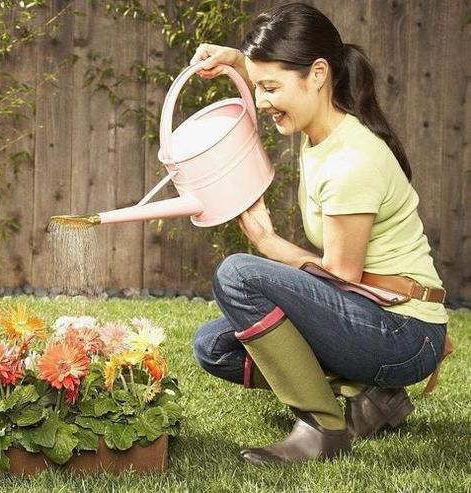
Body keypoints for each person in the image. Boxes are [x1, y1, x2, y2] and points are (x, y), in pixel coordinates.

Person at [190, 2, 450, 466]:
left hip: (405, 332)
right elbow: (282, 75)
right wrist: (236, 61)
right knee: (213, 346)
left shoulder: (352, 160)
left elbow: (340, 274)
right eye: (258, 86)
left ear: (318, 74)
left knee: (238, 275)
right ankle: (368, 398)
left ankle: (322, 427)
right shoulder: (320, 130)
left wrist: (269, 245)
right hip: (371, 313)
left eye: (271, 88)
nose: (263, 100)